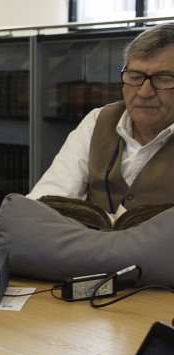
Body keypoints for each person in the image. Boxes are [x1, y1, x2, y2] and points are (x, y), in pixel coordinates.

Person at [28, 22, 174, 212]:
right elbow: (48, 200)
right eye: (134, 76)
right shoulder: (98, 121)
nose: (144, 92)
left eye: (164, 78)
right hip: (90, 241)